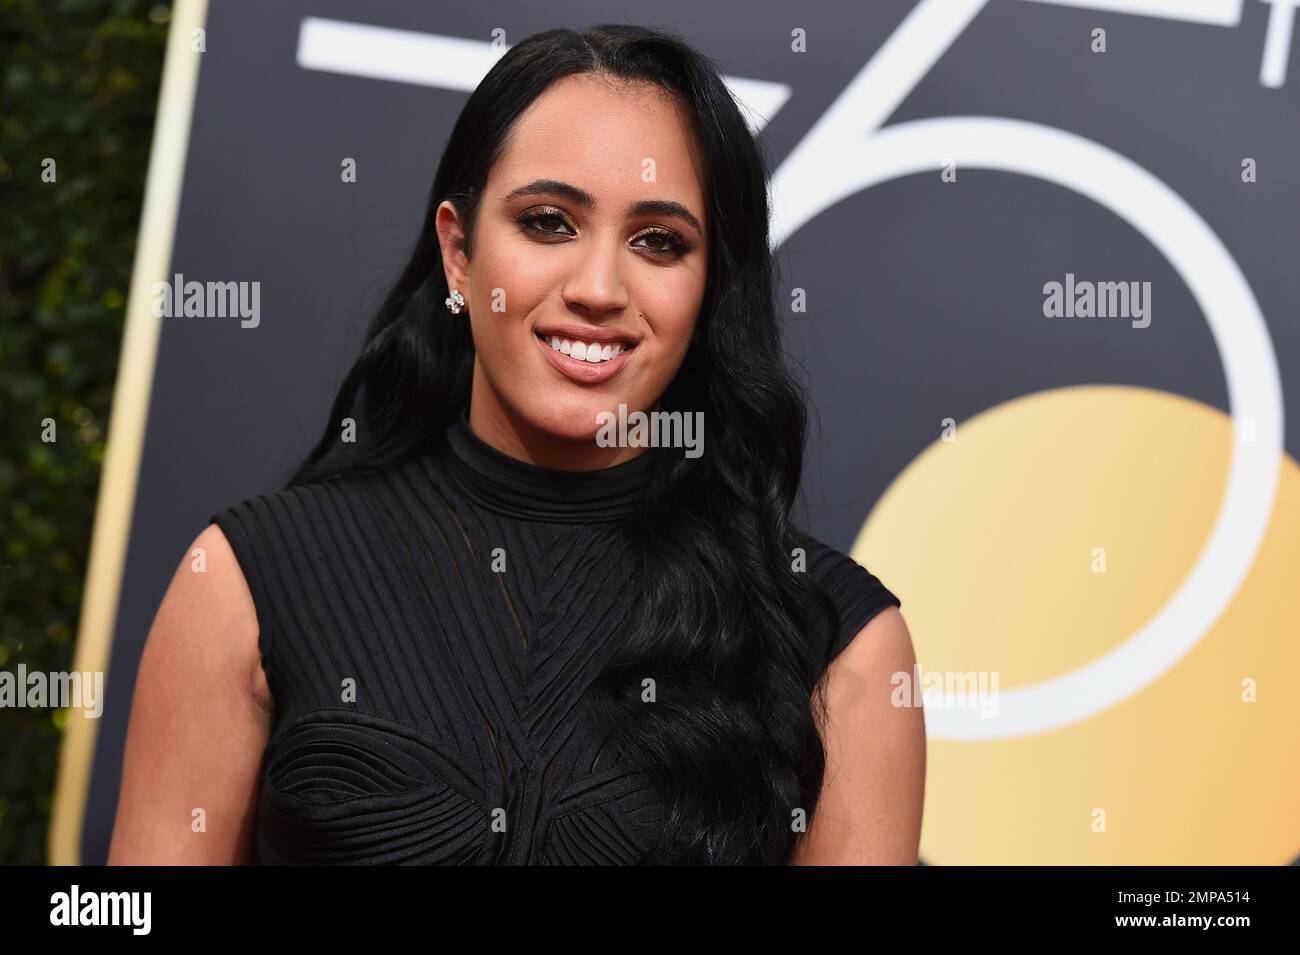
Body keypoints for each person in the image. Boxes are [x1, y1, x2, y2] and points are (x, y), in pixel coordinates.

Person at [109, 23, 924, 865]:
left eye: (659, 241)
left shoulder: (839, 642)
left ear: (710, 285)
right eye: (547, 222)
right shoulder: (247, 579)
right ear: (459, 254)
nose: (599, 289)